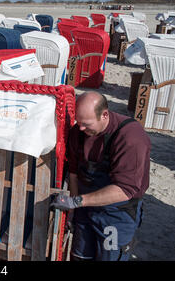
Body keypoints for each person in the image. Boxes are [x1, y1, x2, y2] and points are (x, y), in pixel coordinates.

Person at [51, 91, 150, 261]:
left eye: (86, 124)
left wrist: (76, 201)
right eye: (79, 122)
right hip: (85, 208)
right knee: (80, 256)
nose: (81, 128)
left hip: (116, 213)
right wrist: (74, 211)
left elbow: (125, 190)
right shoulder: (79, 132)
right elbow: (74, 173)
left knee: (108, 257)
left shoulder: (130, 137)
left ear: (104, 115)